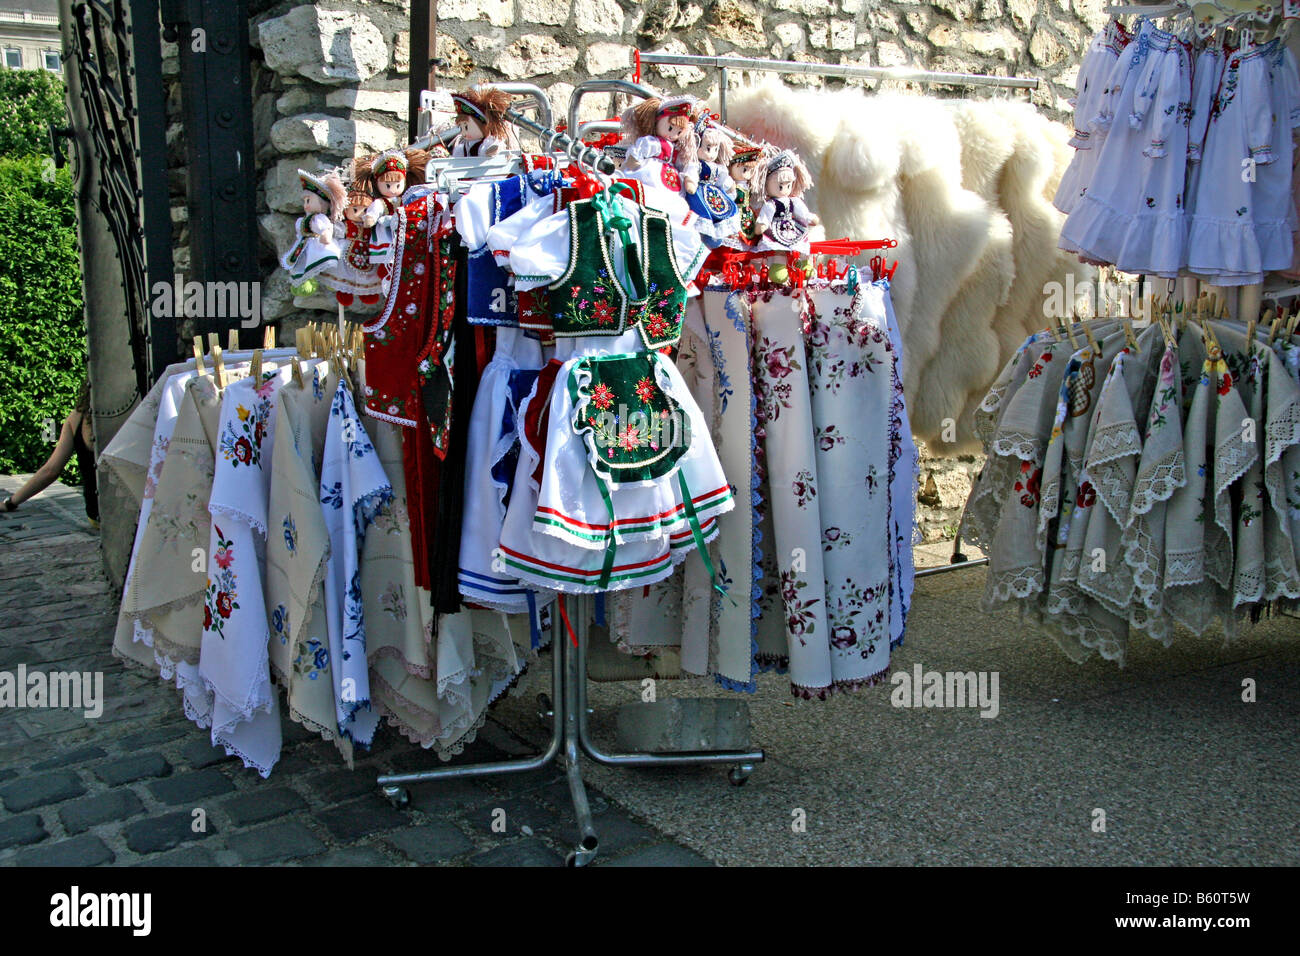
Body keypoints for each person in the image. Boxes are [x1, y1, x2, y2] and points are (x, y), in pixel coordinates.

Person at [2, 381, 99, 525]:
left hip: (97, 515)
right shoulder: (131, 415)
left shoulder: (77, 418)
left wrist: (10, 502)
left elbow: (51, 470)